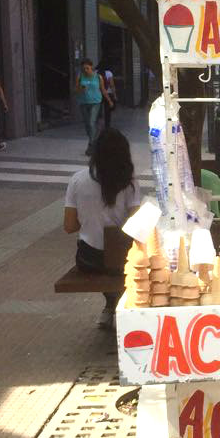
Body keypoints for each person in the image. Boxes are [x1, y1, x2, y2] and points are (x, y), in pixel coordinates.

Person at [63, 127, 140, 328]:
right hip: (121, 258)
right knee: (131, 260)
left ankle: (110, 306)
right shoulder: (128, 181)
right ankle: (117, 307)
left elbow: (69, 226)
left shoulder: (77, 180)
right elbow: (136, 224)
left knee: (108, 262)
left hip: (89, 258)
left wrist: (90, 220)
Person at [73, 58, 107, 153]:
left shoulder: (98, 77)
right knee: (87, 124)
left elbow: (103, 89)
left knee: (92, 122)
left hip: (95, 102)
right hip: (83, 103)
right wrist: (80, 88)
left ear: (91, 67)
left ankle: (91, 144)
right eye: (84, 69)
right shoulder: (80, 77)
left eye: (87, 68)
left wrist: (109, 100)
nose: (86, 70)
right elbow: (75, 90)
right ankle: (93, 141)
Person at [99, 61, 118, 127]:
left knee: (97, 109)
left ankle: (96, 123)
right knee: (107, 111)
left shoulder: (96, 72)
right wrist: (115, 95)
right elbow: (112, 85)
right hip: (108, 93)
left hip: (98, 94)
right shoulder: (109, 73)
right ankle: (107, 125)